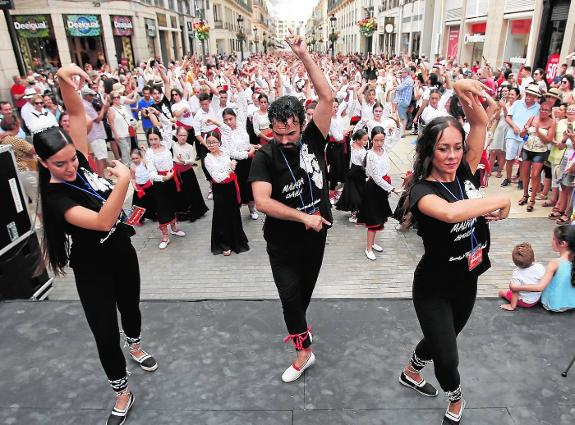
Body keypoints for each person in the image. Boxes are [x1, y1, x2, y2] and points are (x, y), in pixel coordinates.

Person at [33, 64, 157, 425]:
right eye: (60, 163)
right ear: (43, 163)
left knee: (131, 309)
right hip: (92, 269)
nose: (71, 166)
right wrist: (125, 179)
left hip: (122, 252)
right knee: (104, 333)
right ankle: (122, 391)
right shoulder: (57, 199)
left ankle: (135, 344)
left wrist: (62, 79)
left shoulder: (79, 161)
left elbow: (74, 112)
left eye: (73, 157)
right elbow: (103, 219)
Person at [399, 79, 511, 425]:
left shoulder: (463, 172)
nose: (452, 156)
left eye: (457, 148)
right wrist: (502, 200)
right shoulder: (421, 190)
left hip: (468, 279)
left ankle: (412, 370)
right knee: (448, 358)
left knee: (440, 340)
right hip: (433, 286)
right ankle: (456, 396)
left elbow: (479, 123)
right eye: (443, 149)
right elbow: (450, 213)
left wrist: (462, 87)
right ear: (429, 150)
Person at [249, 29, 333, 383]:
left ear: (303, 124)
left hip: (316, 239)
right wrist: (302, 217)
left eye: (291, 134)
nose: (284, 140)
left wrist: (304, 57)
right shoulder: (264, 157)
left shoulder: (314, 138)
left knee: (301, 298)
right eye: (277, 133)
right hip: (282, 242)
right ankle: (303, 352)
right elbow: (262, 201)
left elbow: (327, 96)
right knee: (289, 298)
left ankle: (302, 337)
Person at [144, 109, 187, 249]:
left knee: (173, 204)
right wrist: (163, 178)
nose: (153, 142)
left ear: (159, 138)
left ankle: (174, 229)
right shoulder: (149, 153)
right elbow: (150, 173)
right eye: (150, 139)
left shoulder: (167, 144)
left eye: (155, 139)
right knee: (162, 208)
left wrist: (158, 113)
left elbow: (167, 125)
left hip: (172, 179)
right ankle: (165, 236)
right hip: (160, 183)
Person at [357, 126, 400, 261]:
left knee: (379, 216)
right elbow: (376, 177)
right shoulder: (370, 155)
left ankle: (373, 243)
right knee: (373, 218)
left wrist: (397, 127)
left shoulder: (384, 149)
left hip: (382, 187)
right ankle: (368, 248)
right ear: (372, 139)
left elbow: (396, 139)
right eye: (376, 140)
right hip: (374, 188)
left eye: (382, 140)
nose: (379, 143)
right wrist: (391, 188)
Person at [204, 130, 250, 256]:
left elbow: (227, 131)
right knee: (221, 215)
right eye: (209, 143)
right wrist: (230, 168)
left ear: (219, 142)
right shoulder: (208, 159)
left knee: (234, 212)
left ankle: (237, 240)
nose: (211, 145)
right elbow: (218, 178)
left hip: (231, 187)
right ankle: (224, 243)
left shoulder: (225, 152)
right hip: (219, 189)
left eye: (214, 142)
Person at [510, 225, 575, 312]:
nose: (551, 241)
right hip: (571, 303)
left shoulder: (555, 263)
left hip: (554, 304)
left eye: (553, 239)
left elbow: (539, 287)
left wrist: (516, 287)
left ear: (563, 244)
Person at [517, 101, 555, 211]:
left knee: (535, 174)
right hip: (527, 148)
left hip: (540, 151)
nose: (543, 111)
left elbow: (548, 140)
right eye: (541, 109)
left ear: (549, 112)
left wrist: (538, 131)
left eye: (546, 110)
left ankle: (532, 199)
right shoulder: (532, 118)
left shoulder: (551, 123)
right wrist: (524, 130)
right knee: (524, 173)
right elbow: (522, 134)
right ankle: (525, 195)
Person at [501, 83, 541, 186]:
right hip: (512, 134)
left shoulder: (538, 108)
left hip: (527, 137)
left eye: (531, 95)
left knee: (523, 161)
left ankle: (521, 180)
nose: (528, 97)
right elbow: (508, 117)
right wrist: (514, 126)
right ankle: (508, 178)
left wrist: (527, 129)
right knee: (509, 158)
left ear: (536, 97)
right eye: (527, 94)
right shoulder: (518, 103)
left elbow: (537, 122)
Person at [172, 126, 209, 222]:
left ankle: (194, 212)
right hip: (176, 172)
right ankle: (182, 214)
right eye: (180, 135)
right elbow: (166, 129)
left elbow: (192, 160)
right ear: (176, 136)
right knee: (180, 193)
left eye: (184, 135)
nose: (183, 137)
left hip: (188, 172)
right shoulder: (173, 144)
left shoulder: (190, 147)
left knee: (192, 192)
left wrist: (184, 161)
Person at [498, 242, 545, 310]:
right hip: (536, 299)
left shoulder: (517, 273)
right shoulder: (540, 267)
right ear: (533, 257)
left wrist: (512, 306)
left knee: (501, 292)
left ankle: (498, 303)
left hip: (524, 302)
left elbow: (515, 291)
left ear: (515, 262)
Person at [336, 129, 369, 222]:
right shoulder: (362, 152)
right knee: (356, 193)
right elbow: (364, 164)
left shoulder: (352, 144)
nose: (366, 142)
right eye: (364, 140)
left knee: (352, 191)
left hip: (353, 171)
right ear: (358, 140)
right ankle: (354, 214)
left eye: (367, 140)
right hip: (358, 172)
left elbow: (352, 139)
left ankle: (355, 212)